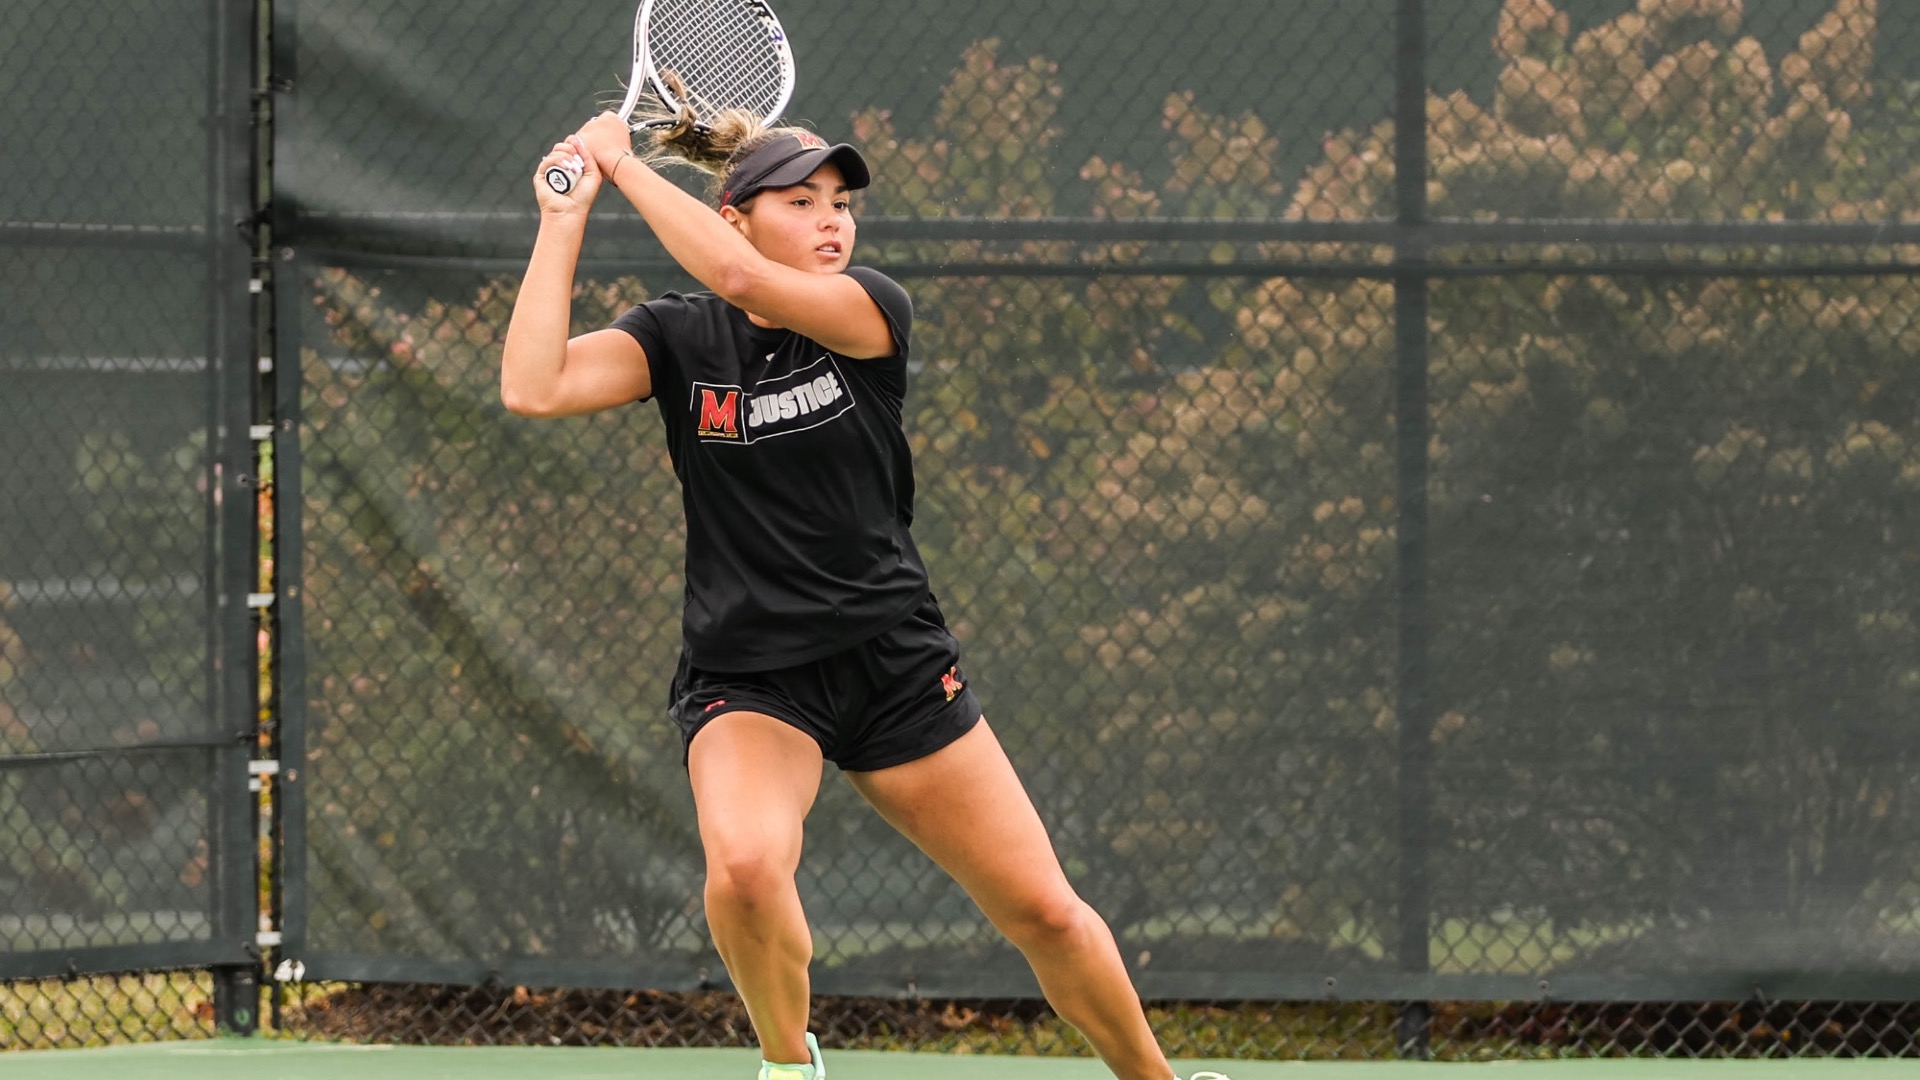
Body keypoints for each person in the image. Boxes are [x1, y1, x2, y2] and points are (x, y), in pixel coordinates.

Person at [500, 102, 1232, 1080]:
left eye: (840, 201)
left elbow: (736, 275)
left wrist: (620, 166)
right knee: (749, 874)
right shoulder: (676, 342)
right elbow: (532, 385)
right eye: (800, 202)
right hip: (752, 677)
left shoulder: (869, 309)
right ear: (737, 211)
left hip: (892, 663)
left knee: (1047, 911)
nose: (831, 220)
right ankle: (788, 1062)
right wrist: (563, 221)